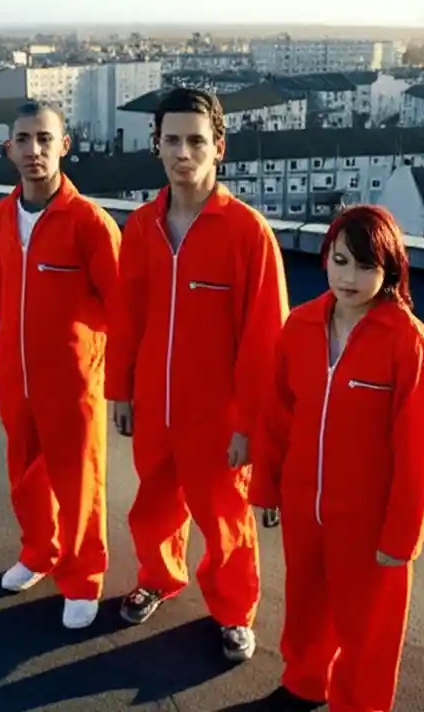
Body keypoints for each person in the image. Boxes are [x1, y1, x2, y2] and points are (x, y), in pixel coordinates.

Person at [106, 87, 290, 661]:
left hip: (217, 415)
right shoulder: (140, 227)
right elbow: (125, 316)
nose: (183, 153)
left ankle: (234, 612)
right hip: (155, 404)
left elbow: (264, 340)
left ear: (219, 148)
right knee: (153, 503)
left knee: (225, 517)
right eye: (172, 140)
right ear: (155, 144)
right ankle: (158, 577)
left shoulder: (247, 233)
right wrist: (121, 390)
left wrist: (246, 424)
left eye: (196, 141)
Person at [250, 205, 424, 712]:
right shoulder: (299, 326)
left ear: (389, 270)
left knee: (369, 626)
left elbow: (417, 451)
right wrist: (266, 487)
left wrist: (402, 537)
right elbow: (277, 415)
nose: (349, 277)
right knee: (306, 605)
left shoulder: (409, 344)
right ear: (325, 259)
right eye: (340, 260)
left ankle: (360, 703)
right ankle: (304, 681)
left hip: (369, 521)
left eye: (365, 265)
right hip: (304, 505)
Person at [0, 100, 120, 629]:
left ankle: (84, 577)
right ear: (8, 148)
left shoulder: (90, 223)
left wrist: (89, 363)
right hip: (14, 373)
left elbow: (118, 309)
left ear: (65, 144)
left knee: (78, 481)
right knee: (25, 475)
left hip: (72, 381)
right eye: (23, 139)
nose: (34, 150)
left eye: (45, 138)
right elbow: (0, 292)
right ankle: (40, 551)